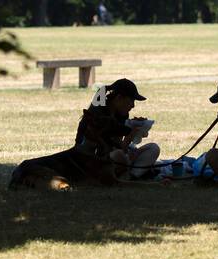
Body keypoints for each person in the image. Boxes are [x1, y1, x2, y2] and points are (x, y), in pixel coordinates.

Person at [9, 78, 159, 189]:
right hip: (96, 157)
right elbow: (115, 150)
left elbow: (119, 144)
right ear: (119, 98)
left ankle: (132, 174)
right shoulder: (98, 118)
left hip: (105, 156)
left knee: (151, 148)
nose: (133, 106)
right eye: (131, 101)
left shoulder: (117, 117)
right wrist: (130, 134)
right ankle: (131, 174)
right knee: (119, 157)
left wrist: (132, 131)